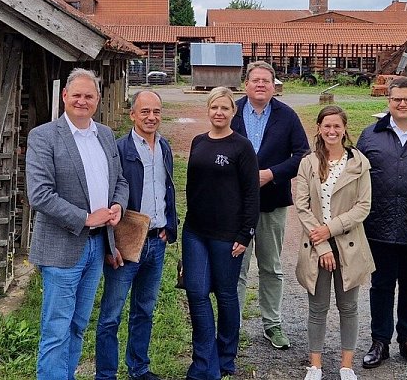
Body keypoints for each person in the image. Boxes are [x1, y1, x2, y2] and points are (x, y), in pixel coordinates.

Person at [26, 68, 129, 380]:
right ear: (64, 96)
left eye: (89, 96)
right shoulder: (44, 136)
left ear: (97, 99)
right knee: (56, 328)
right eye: (77, 95)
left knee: (77, 324)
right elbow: (39, 194)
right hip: (62, 247)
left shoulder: (105, 135)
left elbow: (120, 181)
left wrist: (117, 205)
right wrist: (85, 218)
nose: (82, 101)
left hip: (96, 245)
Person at [95, 90, 178, 380]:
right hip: (126, 244)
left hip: (156, 242)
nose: (151, 117)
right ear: (132, 115)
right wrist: (110, 243)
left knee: (144, 310)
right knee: (111, 314)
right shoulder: (119, 150)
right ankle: (106, 374)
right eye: (145, 111)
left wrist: (169, 226)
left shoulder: (164, 147)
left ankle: (139, 368)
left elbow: (168, 190)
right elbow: (108, 198)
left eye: (156, 111)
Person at [231, 60, 310, 350]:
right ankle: (232, 326)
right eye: (255, 80)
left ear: (274, 86)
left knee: (271, 266)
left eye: (266, 80)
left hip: (272, 202)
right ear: (246, 85)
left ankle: (272, 323)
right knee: (236, 267)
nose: (261, 85)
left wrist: (272, 174)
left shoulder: (286, 116)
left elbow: (302, 154)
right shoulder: (232, 111)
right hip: (235, 205)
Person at [183, 86, 260, 380]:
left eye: (225, 108)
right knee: (197, 293)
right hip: (196, 232)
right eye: (214, 107)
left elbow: (251, 194)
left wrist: (245, 234)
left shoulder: (242, 147)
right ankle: (205, 361)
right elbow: (192, 187)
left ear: (233, 112)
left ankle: (226, 356)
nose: (219, 112)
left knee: (226, 295)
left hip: (227, 235)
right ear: (208, 109)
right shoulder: (198, 142)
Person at [293, 106, 374, 380]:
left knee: (348, 307)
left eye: (336, 126)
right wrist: (323, 244)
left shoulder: (359, 163)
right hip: (317, 246)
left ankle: (346, 366)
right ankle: (315, 366)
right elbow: (302, 206)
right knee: (317, 308)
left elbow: (363, 206)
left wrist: (330, 229)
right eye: (326, 126)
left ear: (344, 128)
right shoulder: (308, 163)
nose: (331, 131)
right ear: (319, 128)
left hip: (349, 244)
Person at [357, 77, 407, 370]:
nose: (402, 104)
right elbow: (356, 179)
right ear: (388, 101)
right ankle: (380, 341)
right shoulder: (370, 135)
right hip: (379, 226)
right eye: (396, 99)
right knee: (381, 285)